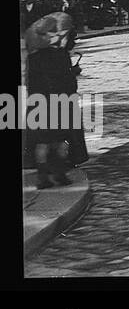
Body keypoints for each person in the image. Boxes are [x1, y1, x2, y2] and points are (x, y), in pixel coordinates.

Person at [23, 11, 85, 188]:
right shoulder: (61, 55)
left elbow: (31, 82)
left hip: (39, 103)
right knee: (60, 141)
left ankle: (43, 177)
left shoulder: (34, 57)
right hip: (60, 102)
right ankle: (59, 174)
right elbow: (67, 82)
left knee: (42, 142)